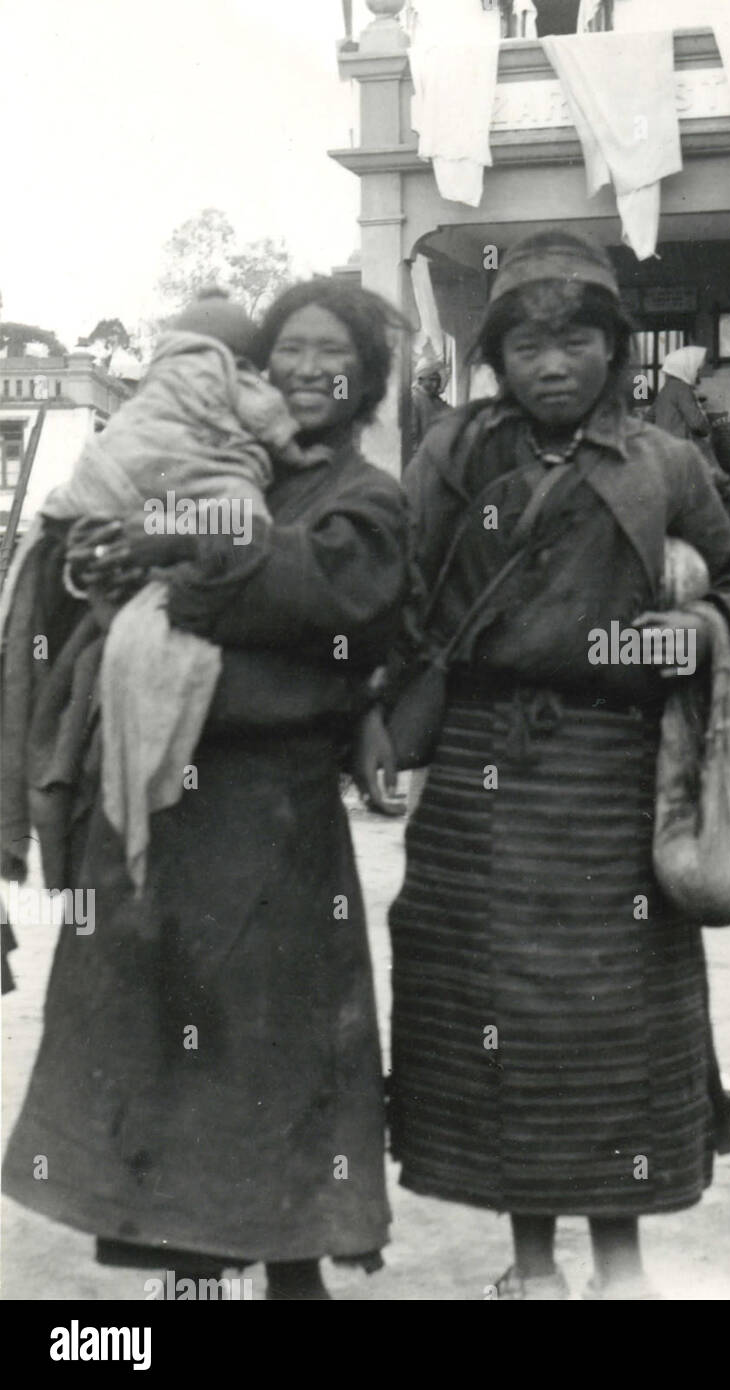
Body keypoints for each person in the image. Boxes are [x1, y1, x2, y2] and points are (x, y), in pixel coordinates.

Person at [357, 229, 730, 1300]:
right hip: (483, 783)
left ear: (615, 347)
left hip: (612, 782)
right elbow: (396, 599)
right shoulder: (453, 456)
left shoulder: (666, 462)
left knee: (618, 1030)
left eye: (576, 338)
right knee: (509, 1031)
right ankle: (532, 1261)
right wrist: (373, 720)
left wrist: (704, 631)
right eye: (528, 342)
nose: (552, 363)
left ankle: (623, 1266)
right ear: (496, 351)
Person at [1, 278, 409, 1300]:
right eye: (288, 353)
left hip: (272, 822)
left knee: (281, 1058)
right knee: (163, 1053)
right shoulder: (233, 466)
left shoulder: (363, 497)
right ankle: (186, 1268)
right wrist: (94, 549)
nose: (309, 368)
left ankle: (293, 1274)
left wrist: (185, 553)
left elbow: (341, 606)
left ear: (366, 379)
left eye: (335, 352)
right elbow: (96, 567)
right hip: (155, 812)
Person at [38, 290, 329, 893]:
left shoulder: (147, 393)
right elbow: (272, 431)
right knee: (238, 514)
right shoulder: (236, 381)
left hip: (111, 486)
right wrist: (299, 451)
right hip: (189, 508)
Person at [408, 351, 450, 455]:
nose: (435, 384)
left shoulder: (436, 400)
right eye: (431, 380)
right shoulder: (413, 399)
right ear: (420, 380)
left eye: (437, 380)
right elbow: (412, 437)